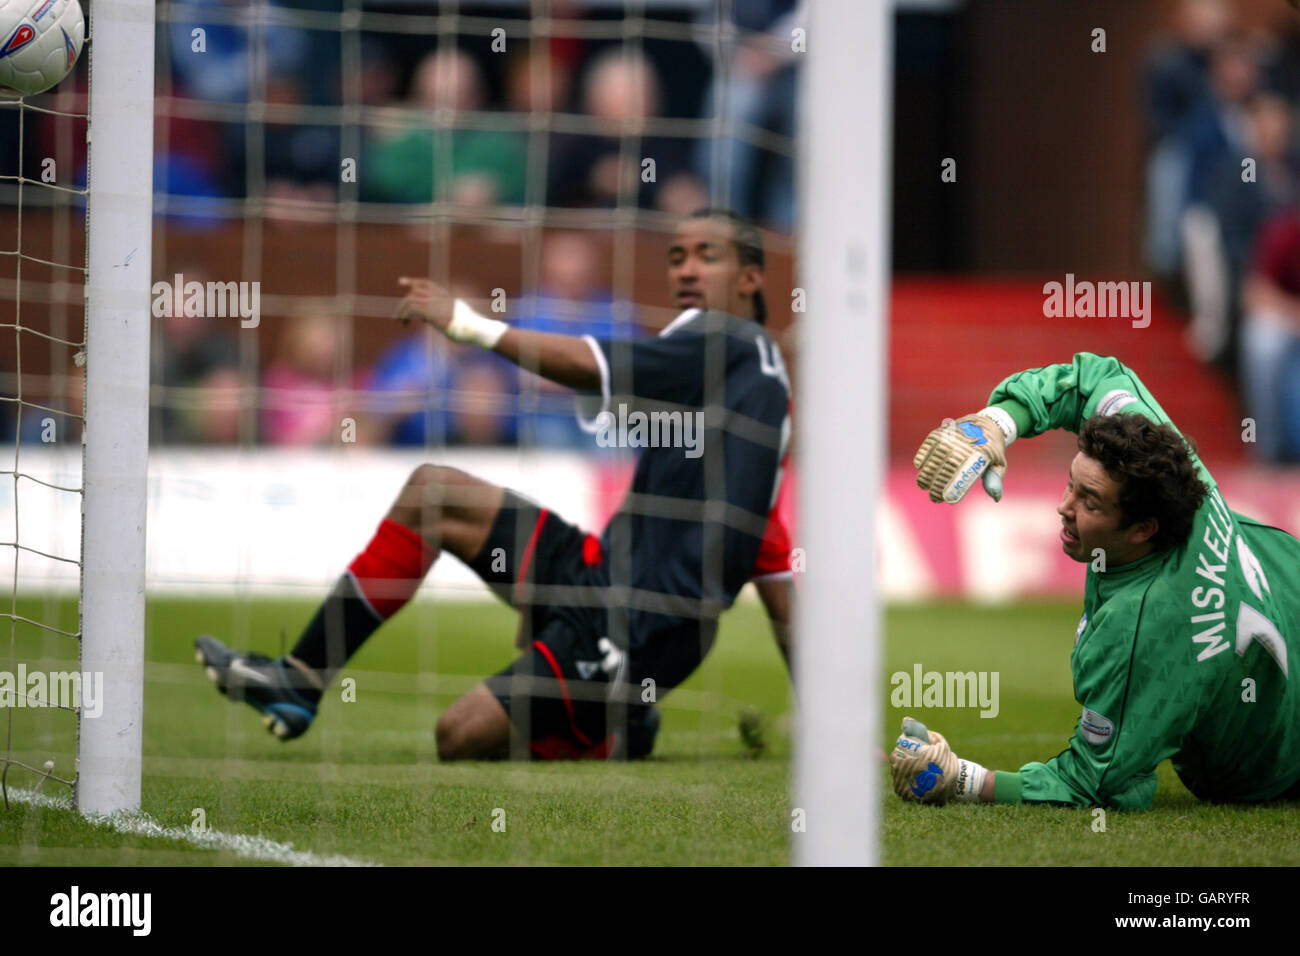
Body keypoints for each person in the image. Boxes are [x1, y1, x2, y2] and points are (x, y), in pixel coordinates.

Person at [196, 209, 795, 761]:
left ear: (749, 278)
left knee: (457, 737)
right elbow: (768, 550)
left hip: (640, 631)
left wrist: (468, 325)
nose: (686, 269)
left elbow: (593, 365)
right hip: (596, 573)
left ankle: (618, 725)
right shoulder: (741, 392)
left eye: (707, 256)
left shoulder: (730, 343)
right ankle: (299, 681)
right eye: (676, 256)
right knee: (435, 493)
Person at [892, 353, 1300, 808]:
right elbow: (1092, 381)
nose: (1065, 507)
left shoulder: (1138, 632)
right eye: (1071, 484)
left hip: (1278, 764)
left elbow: (1091, 780)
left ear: (1144, 528)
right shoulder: (1171, 466)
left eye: (1091, 502)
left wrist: (961, 779)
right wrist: (996, 422)